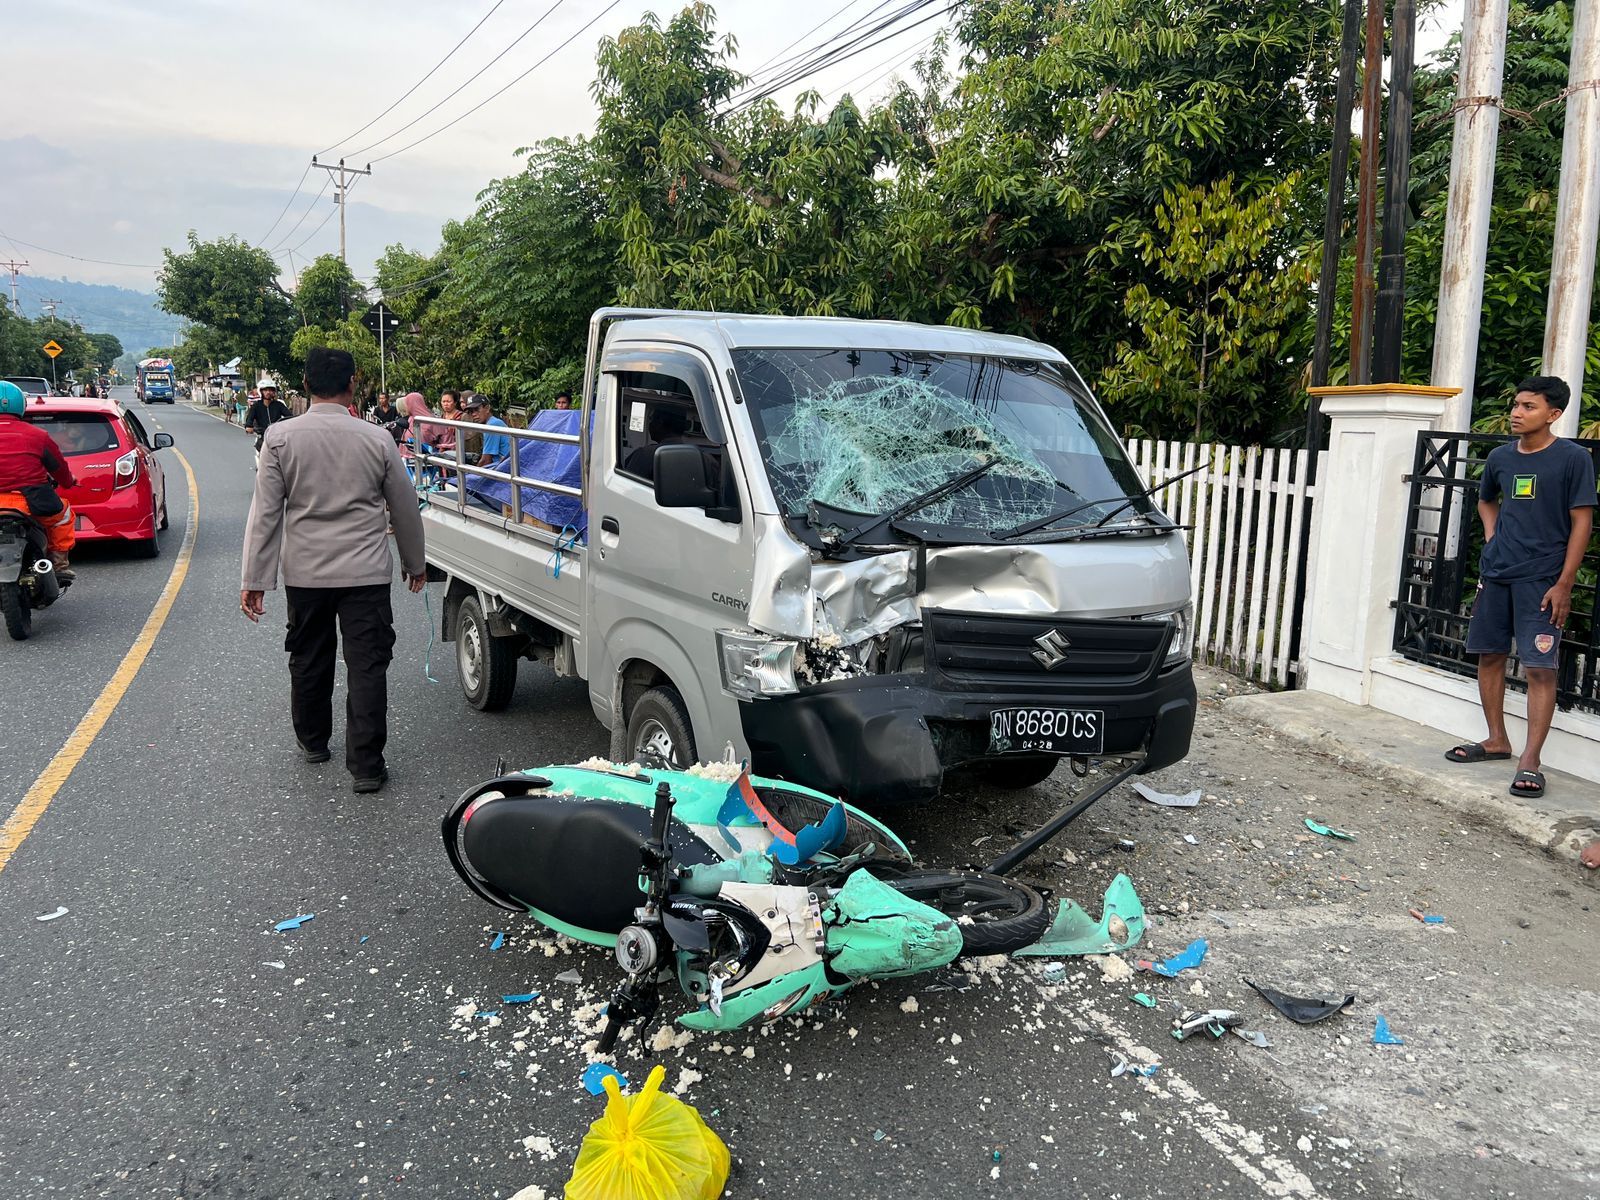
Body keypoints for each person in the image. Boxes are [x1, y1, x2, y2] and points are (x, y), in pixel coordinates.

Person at [239, 347, 426, 794]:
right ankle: (365, 766)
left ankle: (313, 741)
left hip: (305, 575)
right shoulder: (377, 438)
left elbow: (265, 514)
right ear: (353, 384)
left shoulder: (280, 438)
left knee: (308, 657)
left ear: (304, 385)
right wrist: (413, 562)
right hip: (365, 574)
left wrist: (255, 580)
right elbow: (404, 506)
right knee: (367, 666)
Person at [1445, 376, 1597, 799]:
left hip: (1543, 578)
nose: (1516, 413)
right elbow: (1485, 499)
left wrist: (1564, 583)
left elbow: (1582, 521)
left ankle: (1531, 759)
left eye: (1528, 407)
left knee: (1539, 668)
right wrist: (1494, 538)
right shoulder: (1499, 457)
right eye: (1516, 405)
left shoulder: (1572, 459)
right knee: (1489, 655)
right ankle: (1497, 740)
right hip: (1497, 574)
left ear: (1554, 414)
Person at [0, 380, 78, 581]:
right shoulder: (38, 435)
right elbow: (59, 469)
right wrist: (69, 482)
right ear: (21, 405)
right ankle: (59, 565)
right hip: (29, 504)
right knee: (64, 514)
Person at [623, 407, 691, 481]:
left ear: (660, 422)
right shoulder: (695, 458)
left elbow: (626, 485)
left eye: (651, 419)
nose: (650, 424)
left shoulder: (646, 454)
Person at [245, 376, 291, 467]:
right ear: (261, 391)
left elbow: (289, 416)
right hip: (263, 436)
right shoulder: (256, 406)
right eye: (266, 390)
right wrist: (249, 427)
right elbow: (249, 420)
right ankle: (262, 470)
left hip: (278, 435)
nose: (268, 392)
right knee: (263, 454)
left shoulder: (279, 405)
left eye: (271, 390)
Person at [457, 393, 510, 465]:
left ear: (487, 408)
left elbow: (486, 460)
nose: (473, 414)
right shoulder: (491, 423)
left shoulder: (492, 425)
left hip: (503, 467)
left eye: (476, 409)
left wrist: (473, 474)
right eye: (471, 411)